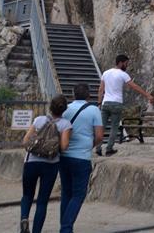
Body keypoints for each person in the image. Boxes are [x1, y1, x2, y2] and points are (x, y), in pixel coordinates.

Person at [20, 94, 71, 233]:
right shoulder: (65, 124)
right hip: (51, 164)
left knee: (27, 195)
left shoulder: (39, 120)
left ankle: (24, 218)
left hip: (31, 162)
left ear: (50, 107)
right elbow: (64, 146)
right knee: (42, 201)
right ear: (64, 110)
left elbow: (25, 141)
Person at [59, 84, 103, 233]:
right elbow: (99, 136)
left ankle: (64, 225)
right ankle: (66, 228)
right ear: (88, 96)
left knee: (66, 192)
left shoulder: (65, 110)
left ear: (73, 95)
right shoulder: (94, 110)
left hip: (64, 156)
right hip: (82, 157)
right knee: (78, 194)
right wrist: (89, 146)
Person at [97, 54, 154, 156]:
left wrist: (99, 103)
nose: (126, 66)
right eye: (126, 63)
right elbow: (134, 86)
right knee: (114, 127)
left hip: (105, 103)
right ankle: (109, 149)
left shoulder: (105, 73)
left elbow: (101, 89)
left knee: (102, 127)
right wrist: (148, 95)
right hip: (116, 104)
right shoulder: (123, 74)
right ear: (120, 63)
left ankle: (98, 148)